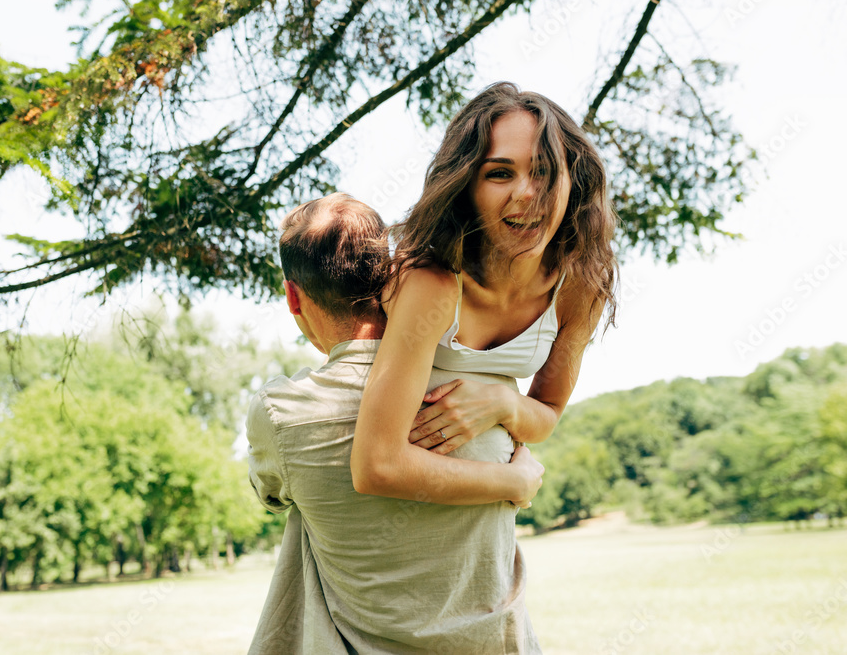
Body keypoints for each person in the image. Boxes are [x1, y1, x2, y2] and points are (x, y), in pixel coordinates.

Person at [246, 193, 545, 654]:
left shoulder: (282, 412)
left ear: (293, 296)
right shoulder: (480, 392)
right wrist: (515, 479)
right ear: (388, 275)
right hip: (499, 645)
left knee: (307, 505)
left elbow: (271, 494)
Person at [351, 82, 618, 502]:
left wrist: (500, 403)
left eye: (544, 170)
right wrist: (515, 482)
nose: (526, 193)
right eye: (499, 173)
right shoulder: (431, 280)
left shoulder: (580, 287)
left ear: (574, 182)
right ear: (466, 187)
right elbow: (376, 466)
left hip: (483, 539)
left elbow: (546, 415)